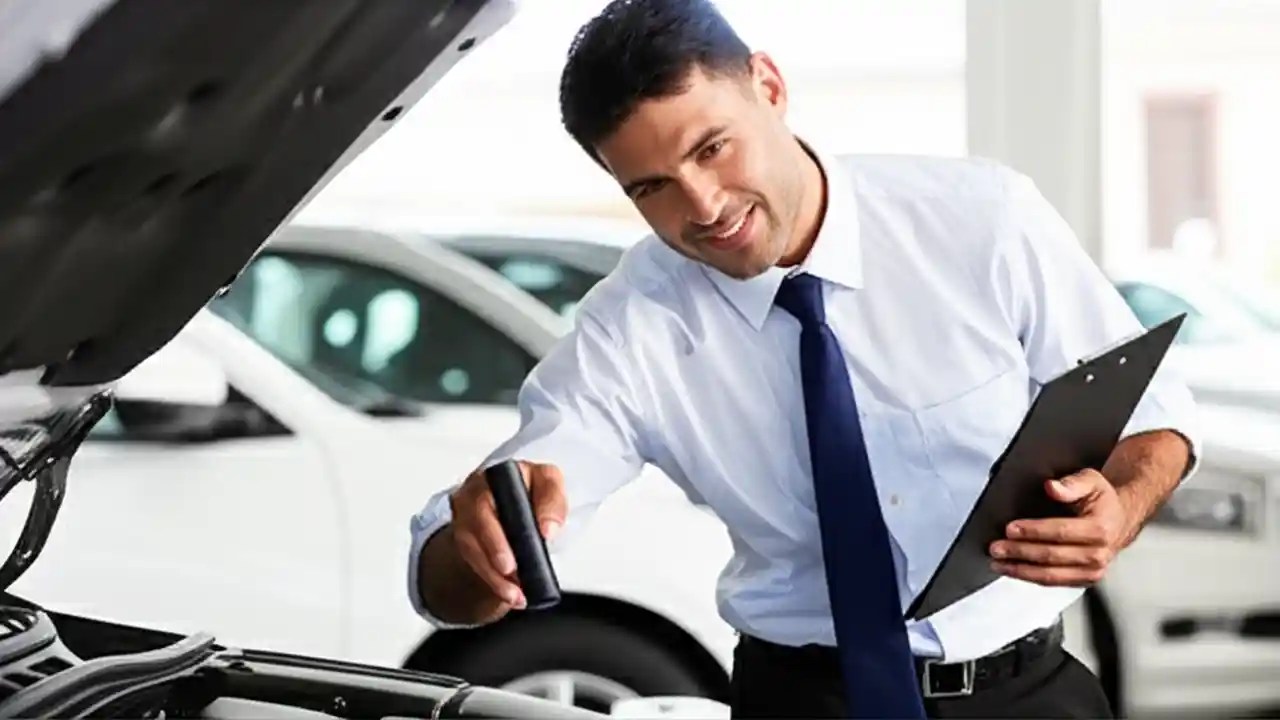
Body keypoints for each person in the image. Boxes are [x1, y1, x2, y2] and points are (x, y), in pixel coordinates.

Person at [408, 0, 1199, 717]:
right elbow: (459, 575)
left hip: (1027, 694)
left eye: (713, 148)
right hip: (801, 700)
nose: (704, 206)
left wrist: (1121, 506)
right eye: (652, 188)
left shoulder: (981, 218)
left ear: (769, 86)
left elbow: (1156, 416)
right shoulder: (630, 328)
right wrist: (480, 551)